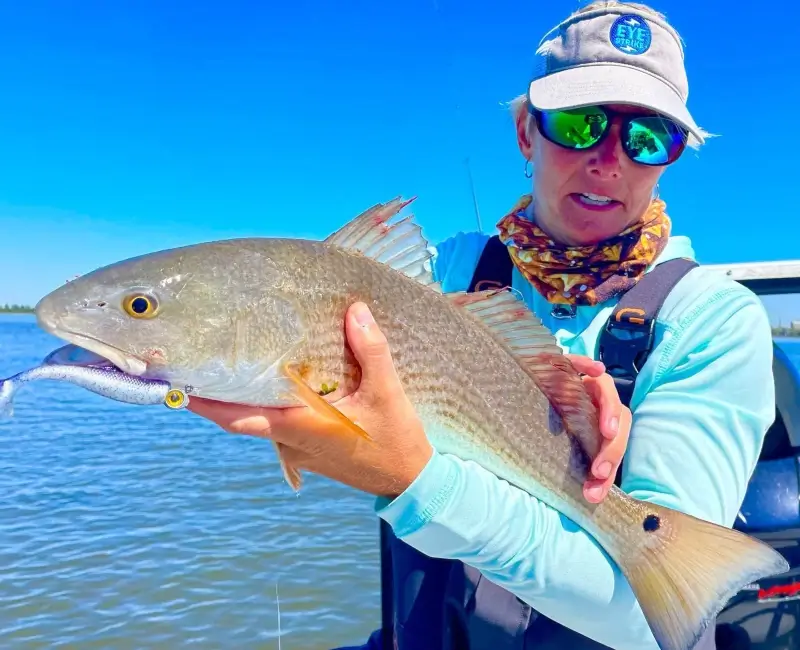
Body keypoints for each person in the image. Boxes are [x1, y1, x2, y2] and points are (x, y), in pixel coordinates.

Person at [187, 2, 777, 649]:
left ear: (670, 158)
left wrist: (416, 480)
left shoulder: (715, 320)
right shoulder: (449, 272)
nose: (610, 159)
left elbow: (644, 621)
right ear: (527, 131)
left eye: (646, 138)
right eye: (581, 123)